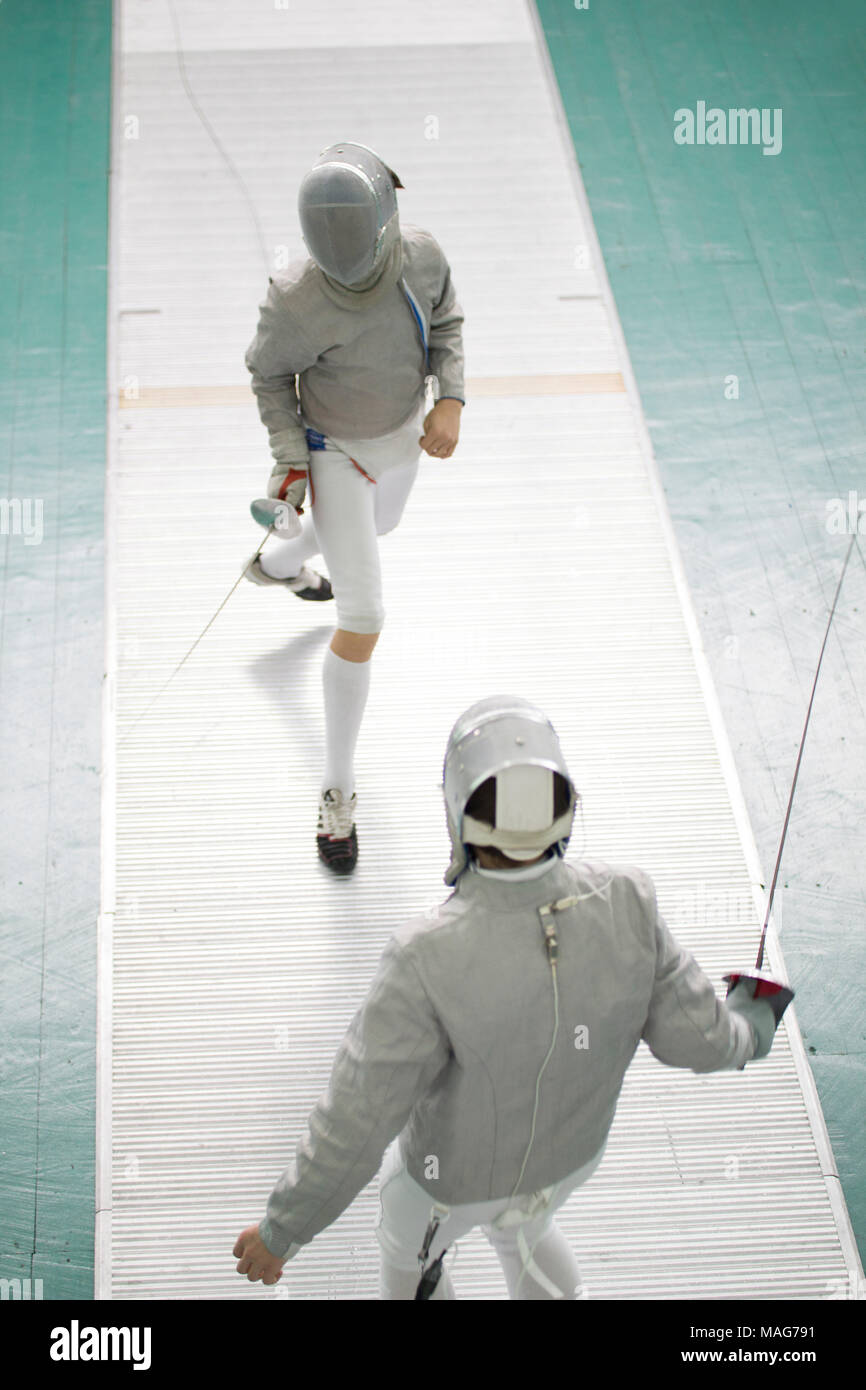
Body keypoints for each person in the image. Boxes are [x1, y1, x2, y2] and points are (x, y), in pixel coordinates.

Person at [233, 696, 790, 1299]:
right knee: (525, 1224)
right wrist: (754, 1015)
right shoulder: (628, 899)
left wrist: (283, 1230)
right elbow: (704, 1041)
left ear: (457, 812)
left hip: (447, 1187)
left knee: (407, 1251)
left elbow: (358, 1122)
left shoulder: (423, 958)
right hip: (568, 1163)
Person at [244, 141, 465, 874]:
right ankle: (337, 791)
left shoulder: (422, 257)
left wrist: (452, 401)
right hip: (332, 449)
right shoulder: (296, 300)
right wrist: (290, 458)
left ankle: (279, 559)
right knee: (363, 615)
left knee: (381, 526)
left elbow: (448, 322)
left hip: (405, 438)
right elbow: (270, 377)